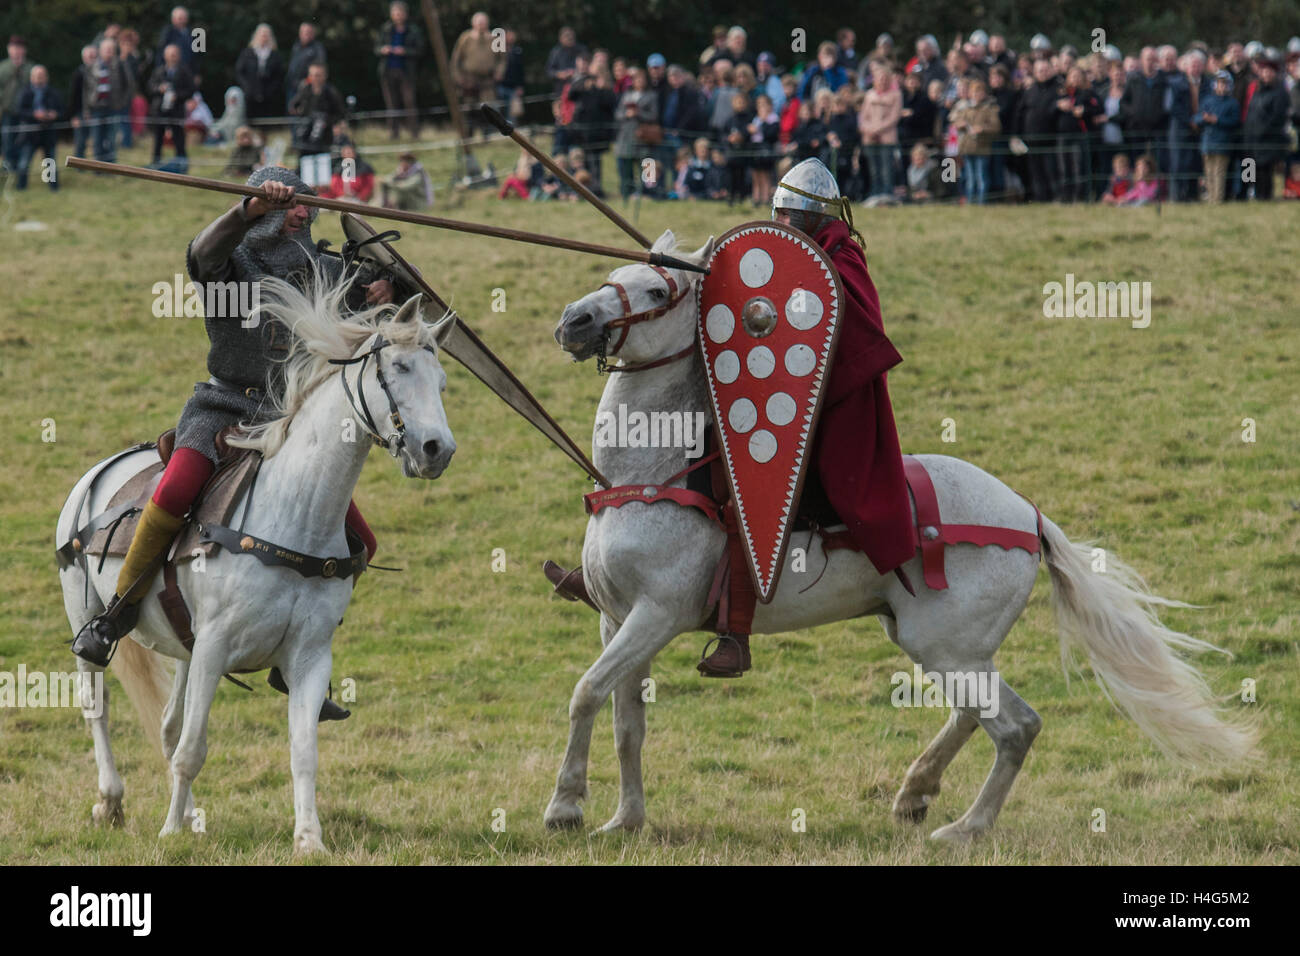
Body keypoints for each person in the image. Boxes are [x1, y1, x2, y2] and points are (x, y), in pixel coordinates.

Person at [70, 167, 399, 718]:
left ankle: (293, 656)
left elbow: (379, 297)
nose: (303, 211)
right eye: (290, 203)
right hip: (223, 409)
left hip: (290, 420)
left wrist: (387, 289)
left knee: (360, 541)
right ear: (262, 210)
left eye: (304, 202)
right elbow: (202, 252)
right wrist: (248, 209)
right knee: (176, 488)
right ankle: (115, 615)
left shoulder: (321, 267)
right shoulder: (231, 269)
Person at [1243, 55, 1289, 199]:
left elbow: (1277, 116)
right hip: (1252, 139)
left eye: (1269, 71)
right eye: (1263, 71)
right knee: (1249, 167)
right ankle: (1250, 194)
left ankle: (1265, 196)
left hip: (1268, 139)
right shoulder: (1257, 91)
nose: (1266, 74)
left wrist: (1262, 130)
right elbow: (1251, 112)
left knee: (1264, 169)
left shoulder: (1280, 92)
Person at [450, 10, 500, 140]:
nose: (481, 25)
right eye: (479, 23)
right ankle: (468, 137)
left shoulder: (494, 38)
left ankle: (486, 136)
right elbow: (456, 59)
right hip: (469, 80)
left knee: (487, 108)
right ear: (473, 24)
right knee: (469, 109)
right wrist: (458, 77)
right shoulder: (465, 38)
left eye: (483, 23)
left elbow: (503, 59)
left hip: (487, 80)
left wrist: (499, 73)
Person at [378, 1, 425, 139]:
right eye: (395, 13)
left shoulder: (413, 30)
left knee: (409, 102)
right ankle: (393, 133)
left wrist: (405, 51)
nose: (398, 16)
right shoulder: (386, 29)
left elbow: (420, 50)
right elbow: (377, 47)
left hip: (406, 71)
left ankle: (414, 133)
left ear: (405, 14)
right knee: (392, 103)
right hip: (388, 70)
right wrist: (383, 50)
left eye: (400, 13)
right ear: (392, 15)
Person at [952, 76, 1000, 203]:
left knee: (981, 177)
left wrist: (982, 128)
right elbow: (955, 121)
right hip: (967, 147)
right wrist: (959, 124)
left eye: (980, 92)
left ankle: (982, 202)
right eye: (974, 92)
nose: (977, 95)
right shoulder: (966, 108)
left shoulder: (989, 108)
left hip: (982, 147)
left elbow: (996, 127)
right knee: (969, 177)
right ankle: (970, 202)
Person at [13, 65, 61, 190]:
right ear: (31, 78)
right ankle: (21, 186)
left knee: (50, 161)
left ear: (46, 77)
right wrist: (34, 114)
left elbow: (62, 110)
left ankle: (53, 186)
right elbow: (19, 111)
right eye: (37, 76)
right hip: (30, 133)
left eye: (42, 76)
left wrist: (54, 114)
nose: (39, 78)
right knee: (24, 162)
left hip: (48, 132)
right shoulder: (25, 92)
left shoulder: (53, 93)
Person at [86, 38, 134, 164]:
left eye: (111, 49)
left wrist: (122, 103)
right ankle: (98, 166)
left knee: (111, 139)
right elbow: (86, 89)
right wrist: (86, 108)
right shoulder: (93, 66)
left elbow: (129, 86)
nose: (108, 51)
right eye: (106, 49)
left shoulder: (121, 65)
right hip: (96, 108)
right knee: (97, 139)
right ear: (100, 51)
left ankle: (111, 166)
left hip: (113, 108)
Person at [147, 44, 196, 165]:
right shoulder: (158, 71)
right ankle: (156, 162)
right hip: (160, 110)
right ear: (165, 56)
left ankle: (182, 162)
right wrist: (159, 89)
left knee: (179, 137)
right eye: (170, 54)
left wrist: (177, 96)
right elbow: (149, 87)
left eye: (174, 54)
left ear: (178, 56)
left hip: (177, 110)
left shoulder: (185, 71)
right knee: (158, 137)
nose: (172, 57)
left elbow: (191, 90)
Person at [859, 60, 901, 200]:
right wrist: (869, 130)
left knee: (886, 168)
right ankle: (874, 193)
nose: (882, 81)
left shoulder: (896, 95)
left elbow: (894, 117)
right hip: (870, 138)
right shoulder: (869, 95)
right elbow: (863, 117)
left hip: (887, 138)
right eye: (879, 78)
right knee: (873, 169)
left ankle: (887, 193)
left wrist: (878, 130)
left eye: (885, 78)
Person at [290, 62, 346, 161]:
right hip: (306, 134)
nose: (314, 78)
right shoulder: (305, 90)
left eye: (317, 75)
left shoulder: (331, 92)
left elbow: (340, 113)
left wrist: (335, 124)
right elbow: (293, 105)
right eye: (311, 75)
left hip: (325, 135)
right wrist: (298, 111)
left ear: (324, 76)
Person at [1199, 71, 1240, 203]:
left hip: (1223, 142)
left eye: (1224, 84)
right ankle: (1210, 198)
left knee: (1219, 173)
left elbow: (1234, 121)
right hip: (1208, 142)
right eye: (1219, 83)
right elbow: (1198, 117)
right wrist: (1204, 119)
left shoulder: (1233, 103)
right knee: (1208, 173)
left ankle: (1217, 199)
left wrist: (1217, 120)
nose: (1221, 86)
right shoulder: (1208, 100)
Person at [235, 23, 285, 123]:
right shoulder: (247, 53)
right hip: (250, 96)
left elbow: (279, 75)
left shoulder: (275, 55)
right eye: (262, 35)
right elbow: (239, 72)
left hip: (269, 97)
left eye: (266, 35)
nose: (264, 38)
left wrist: (272, 90)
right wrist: (247, 88)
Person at [1, 36, 33, 172]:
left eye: (19, 48)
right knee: (7, 141)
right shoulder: (3, 68)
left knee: (23, 141)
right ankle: (8, 168)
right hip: (7, 111)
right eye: (14, 48)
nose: (16, 51)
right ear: (9, 50)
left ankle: (21, 169)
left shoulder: (31, 68)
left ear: (24, 50)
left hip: (25, 114)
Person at [285, 22, 327, 113]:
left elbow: (319, 68)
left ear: (313, 34)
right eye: (303, 32)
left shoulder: (317, 48)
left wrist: (308, 81)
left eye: (308, 32)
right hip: (293, 86)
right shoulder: (296, 47)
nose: (305, 35)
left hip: (307, 88)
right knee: (292, 112)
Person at [546, 26, 587, 94]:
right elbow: (549, 71)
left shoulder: (582, 50)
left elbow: (589, 66)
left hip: (580, 89)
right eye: (567, 36)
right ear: (560, 38)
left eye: (572, 35)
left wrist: (577, 72)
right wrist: (560, 74)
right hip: (562, 90)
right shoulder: (556, 52)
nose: (570, 38)